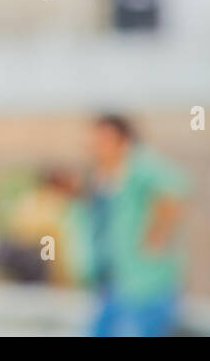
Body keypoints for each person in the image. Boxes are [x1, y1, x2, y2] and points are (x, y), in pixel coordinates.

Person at [76, 114, 189, 337]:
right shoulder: (103, 177)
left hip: (145, 284)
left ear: (124, 140)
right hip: (112, 284)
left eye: (104, 140)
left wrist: (155, 234)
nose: (97, 147)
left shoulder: (139, 165)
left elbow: (175, 187)